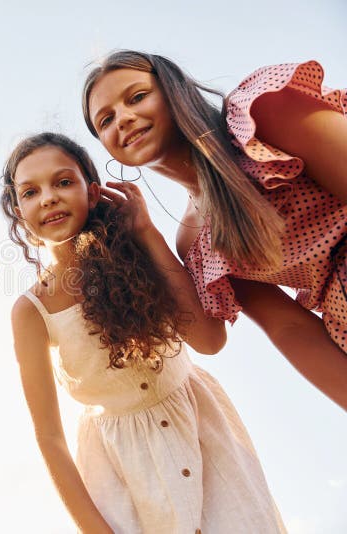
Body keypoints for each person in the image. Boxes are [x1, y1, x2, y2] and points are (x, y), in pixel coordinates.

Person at [3, 132, 285, 533]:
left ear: (94, 191)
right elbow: (49, 437)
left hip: (204, 435)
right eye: (31, 191)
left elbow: (210, 340)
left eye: (63, 182)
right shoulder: (32, 310)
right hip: (121, 471)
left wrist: (148, 233)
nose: (48, 197)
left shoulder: (141, 259)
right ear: (18, 210)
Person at [82, 51, 347, 410]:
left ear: (173, 91)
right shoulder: (195, 240)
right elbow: (286, 329)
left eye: (137, 97)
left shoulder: (259, 118)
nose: (124, 119)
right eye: (106, 120)